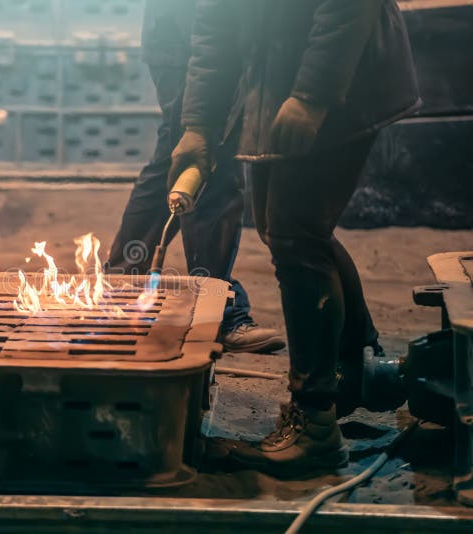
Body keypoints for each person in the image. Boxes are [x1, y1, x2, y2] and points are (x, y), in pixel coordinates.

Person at [170, 0, 420, 474]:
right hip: (280, 69)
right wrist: (197, 124)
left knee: (295, 234)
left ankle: (316, 424)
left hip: (339, 73)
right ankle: (351, 369)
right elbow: (215, 21)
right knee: (285, 229)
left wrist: (313, 94)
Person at [105, 0, 285, 355]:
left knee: (176, 159)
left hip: (196, 36)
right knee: (207, 164)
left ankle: (121, 285)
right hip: (188, 37)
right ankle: (214, 309)